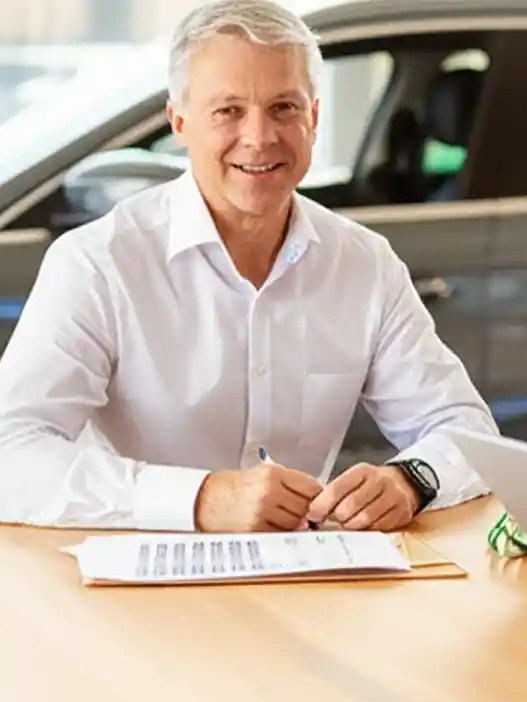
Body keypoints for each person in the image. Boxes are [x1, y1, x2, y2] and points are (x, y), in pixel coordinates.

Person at [0, 0, 499, 533]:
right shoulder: (99, 263)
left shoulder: (364, 263)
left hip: (305, 585)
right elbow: (11, 457)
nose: (259, 137)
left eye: (283, 107)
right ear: (180, 122)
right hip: (136, 590)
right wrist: (197, 498)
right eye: (228, 110)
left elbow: (469, 432)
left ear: (313, 117)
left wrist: (412, 479)